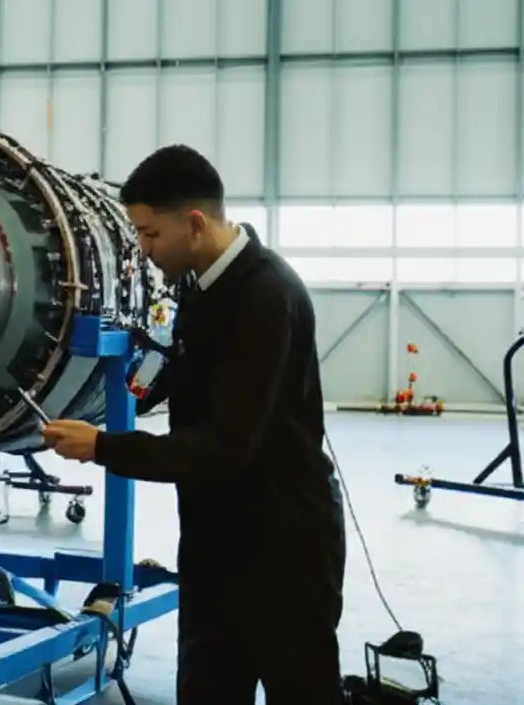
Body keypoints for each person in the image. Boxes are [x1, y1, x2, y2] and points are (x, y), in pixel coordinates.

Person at [41, 144, 347, 704]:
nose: (144, 249)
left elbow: (226, 446)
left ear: (197, 223)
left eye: (151, 234)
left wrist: (104, 447)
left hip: (283, 546)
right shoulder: (199, 286)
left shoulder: (266, 296)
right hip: (214, 539)